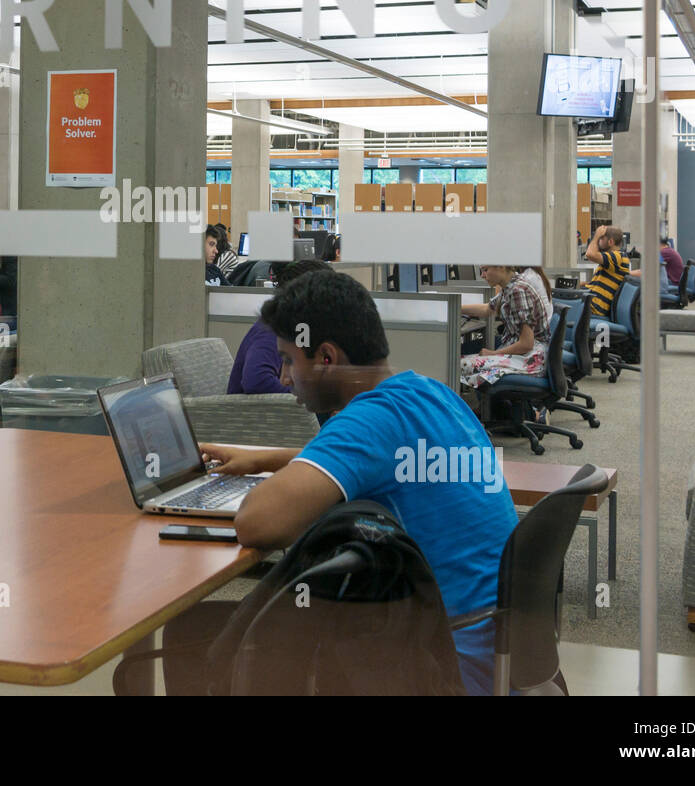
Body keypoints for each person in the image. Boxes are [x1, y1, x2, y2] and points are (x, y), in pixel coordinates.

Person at [199, 271, 517, 697]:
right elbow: (387, 461)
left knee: (196, 632)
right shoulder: (432, 394)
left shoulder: (369, 421)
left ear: (326, 358)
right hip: (497, 653)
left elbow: (255, 523)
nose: (285, 376)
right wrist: (267, 458)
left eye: (290, 359)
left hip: (440, 669)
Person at [228, 260, 332, 395]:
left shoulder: (300, 326)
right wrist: (307, 395)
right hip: (259, 413)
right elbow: (256, 381)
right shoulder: (272, 330)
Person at [458, 265, 551, 388]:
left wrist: (494, 353)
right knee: (462, 360)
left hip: (530, 359)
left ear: (501, 267)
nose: (482, 275)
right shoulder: (511, 286)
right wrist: (455, 308)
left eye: (485, 270)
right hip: (527, 355)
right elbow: (487, 309)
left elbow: (527, 344)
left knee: (458, 365)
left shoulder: (518, 291)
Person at [585, 225, 631, 315]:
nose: (598, 241)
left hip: (594, 308)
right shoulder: (612, 258)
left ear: (610, 242)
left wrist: (596, 236)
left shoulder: (617, 257)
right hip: (590, 304)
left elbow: (590, 254)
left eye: (601, 238)